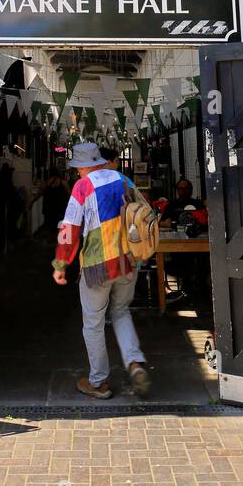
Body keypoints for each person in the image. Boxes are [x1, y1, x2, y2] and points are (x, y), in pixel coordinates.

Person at [52, 141, 151, 400]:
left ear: (86, 166)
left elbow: (70, 229)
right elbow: (145, 212)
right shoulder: (123, 179)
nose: (76, 172)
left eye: (78, 168)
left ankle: (98, 382)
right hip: (128, 262)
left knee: (93, 324)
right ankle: (135, 363)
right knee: (120, 312)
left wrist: (61, 264)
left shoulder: (83, 187)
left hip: (98, 267)